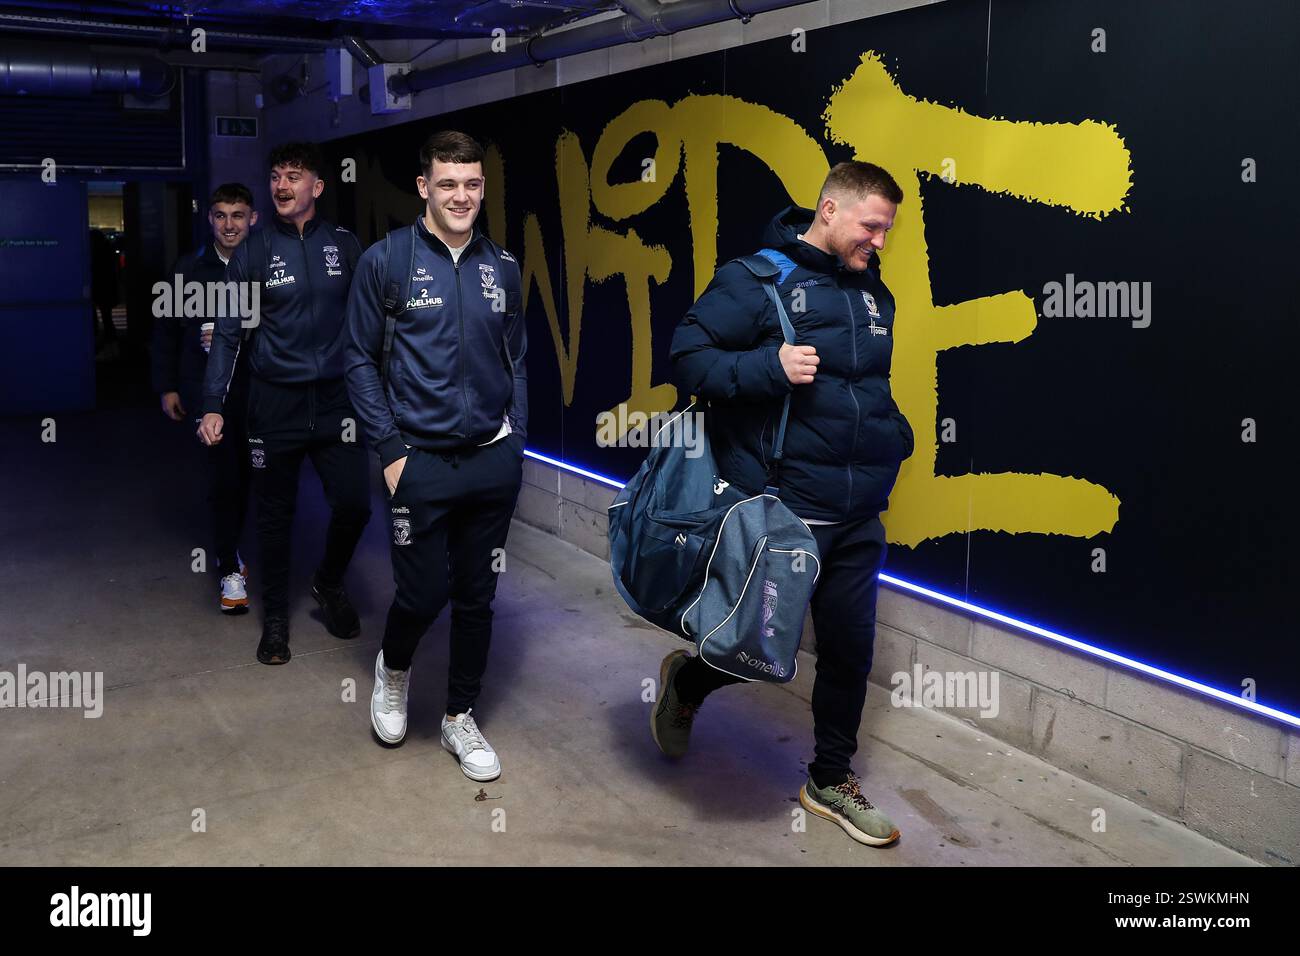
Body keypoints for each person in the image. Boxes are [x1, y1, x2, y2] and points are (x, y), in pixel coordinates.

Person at [660, 161, 915, 846]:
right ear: (829, 210)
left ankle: (830, 777)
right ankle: (687, 684)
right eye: (872, 226)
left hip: (859, 510)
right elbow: (687, 355)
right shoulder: (757, 279)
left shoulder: (873, 294)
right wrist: (765, 369)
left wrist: (895, 433)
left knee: (849, 651)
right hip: (787, 512)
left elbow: (867, 384)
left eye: (887, 230)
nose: (879, 242)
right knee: (756, 648)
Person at [344, 130, 527, 782]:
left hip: (491, 461)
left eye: (472, 184)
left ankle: (458, 716)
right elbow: (358, 360)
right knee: (423, 593)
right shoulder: (385, 262)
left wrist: (517, 442)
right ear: (424, 186)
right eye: (447, 183)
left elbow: (517, 357)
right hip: (416, 462)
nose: (461, 196)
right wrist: (391, 452)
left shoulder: (501, 266)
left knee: (478, 597)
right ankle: (393, 671)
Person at [198, 142, 370, 665]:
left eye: (293, 176)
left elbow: (370, 326)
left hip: (337, 401)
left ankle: (328, 582)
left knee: (356, 505)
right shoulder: (254, 249)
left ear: (316, 187)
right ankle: (275, 620)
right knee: (275, 515)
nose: (281, 185)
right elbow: (227, 331)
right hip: (275, 404)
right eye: (275, 176)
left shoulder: (345, 245)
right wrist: (212, 403)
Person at [152, 183, 257, 613]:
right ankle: (229, 565)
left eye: (237, 215)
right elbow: (164, 332)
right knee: (222, 478)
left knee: (250, 477)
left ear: (253, 218)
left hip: (257, 390)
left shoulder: (268, 264)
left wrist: (241, 336)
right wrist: (168, 385)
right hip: (204, 392)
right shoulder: (188, 270)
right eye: (220, 215)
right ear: (208, 219)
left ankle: (228, 544)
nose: (229, 224)